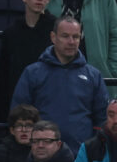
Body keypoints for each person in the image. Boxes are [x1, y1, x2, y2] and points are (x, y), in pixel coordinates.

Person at [10, 17, 109, 152]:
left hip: (81, 156)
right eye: (65, 36)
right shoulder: (32, 73)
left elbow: (102, 118)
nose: (71, 42)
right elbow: (19, 115)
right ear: (53, 37)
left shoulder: (93, 75)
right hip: (41, 155)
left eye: (76, 37)